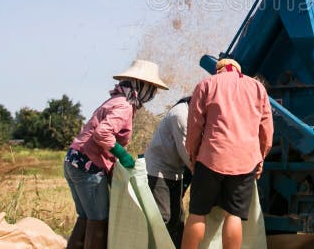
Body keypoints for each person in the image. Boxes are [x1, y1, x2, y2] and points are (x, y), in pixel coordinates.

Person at [63, 60, 168, 249]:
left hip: (74, 161)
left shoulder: (115, 99)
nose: (152, 94)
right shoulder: (124, 106)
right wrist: (122, 155)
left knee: (86, 217)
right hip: (88, 166)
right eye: (151, 88)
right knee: (99, 220)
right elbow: (102, 133)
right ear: (142, 86)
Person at [181, 58, 273, 249]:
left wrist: (193, 156)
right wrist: (260, 158)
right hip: (245, 161)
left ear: (218, 70)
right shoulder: (257, 88)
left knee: (197, 213)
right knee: (233, 215)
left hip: (210, 158)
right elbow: (266, 130)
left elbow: (194, 128)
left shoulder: (206, 85)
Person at [145, 96, 191, 247]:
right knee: (163, 218)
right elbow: (186, 152)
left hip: (175, 171)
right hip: (159, 170)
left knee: (177, 219)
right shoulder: (180, 115)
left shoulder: (188, 113)